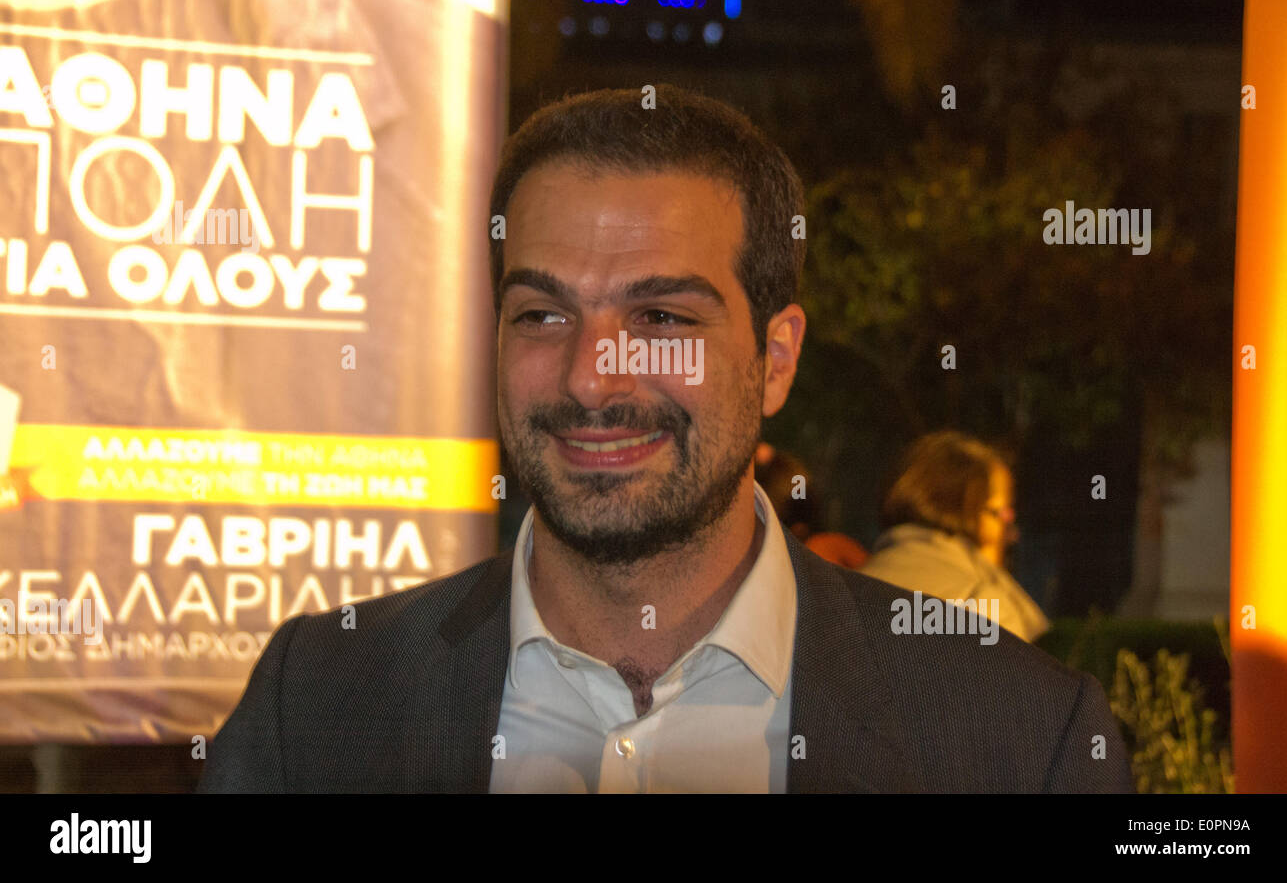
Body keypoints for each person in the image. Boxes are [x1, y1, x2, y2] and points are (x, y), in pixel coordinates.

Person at [198, 85, 1129, 792]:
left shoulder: (1014, 737)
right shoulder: (318, 704)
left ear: (774, 357)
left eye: (659, 316)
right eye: (540, 314)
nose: (590, 377)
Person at [858, 431, 1051, 642]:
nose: (1012, 534)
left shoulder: (842, 594)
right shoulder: (986, 609)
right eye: (1002, 512)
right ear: (967, 510)